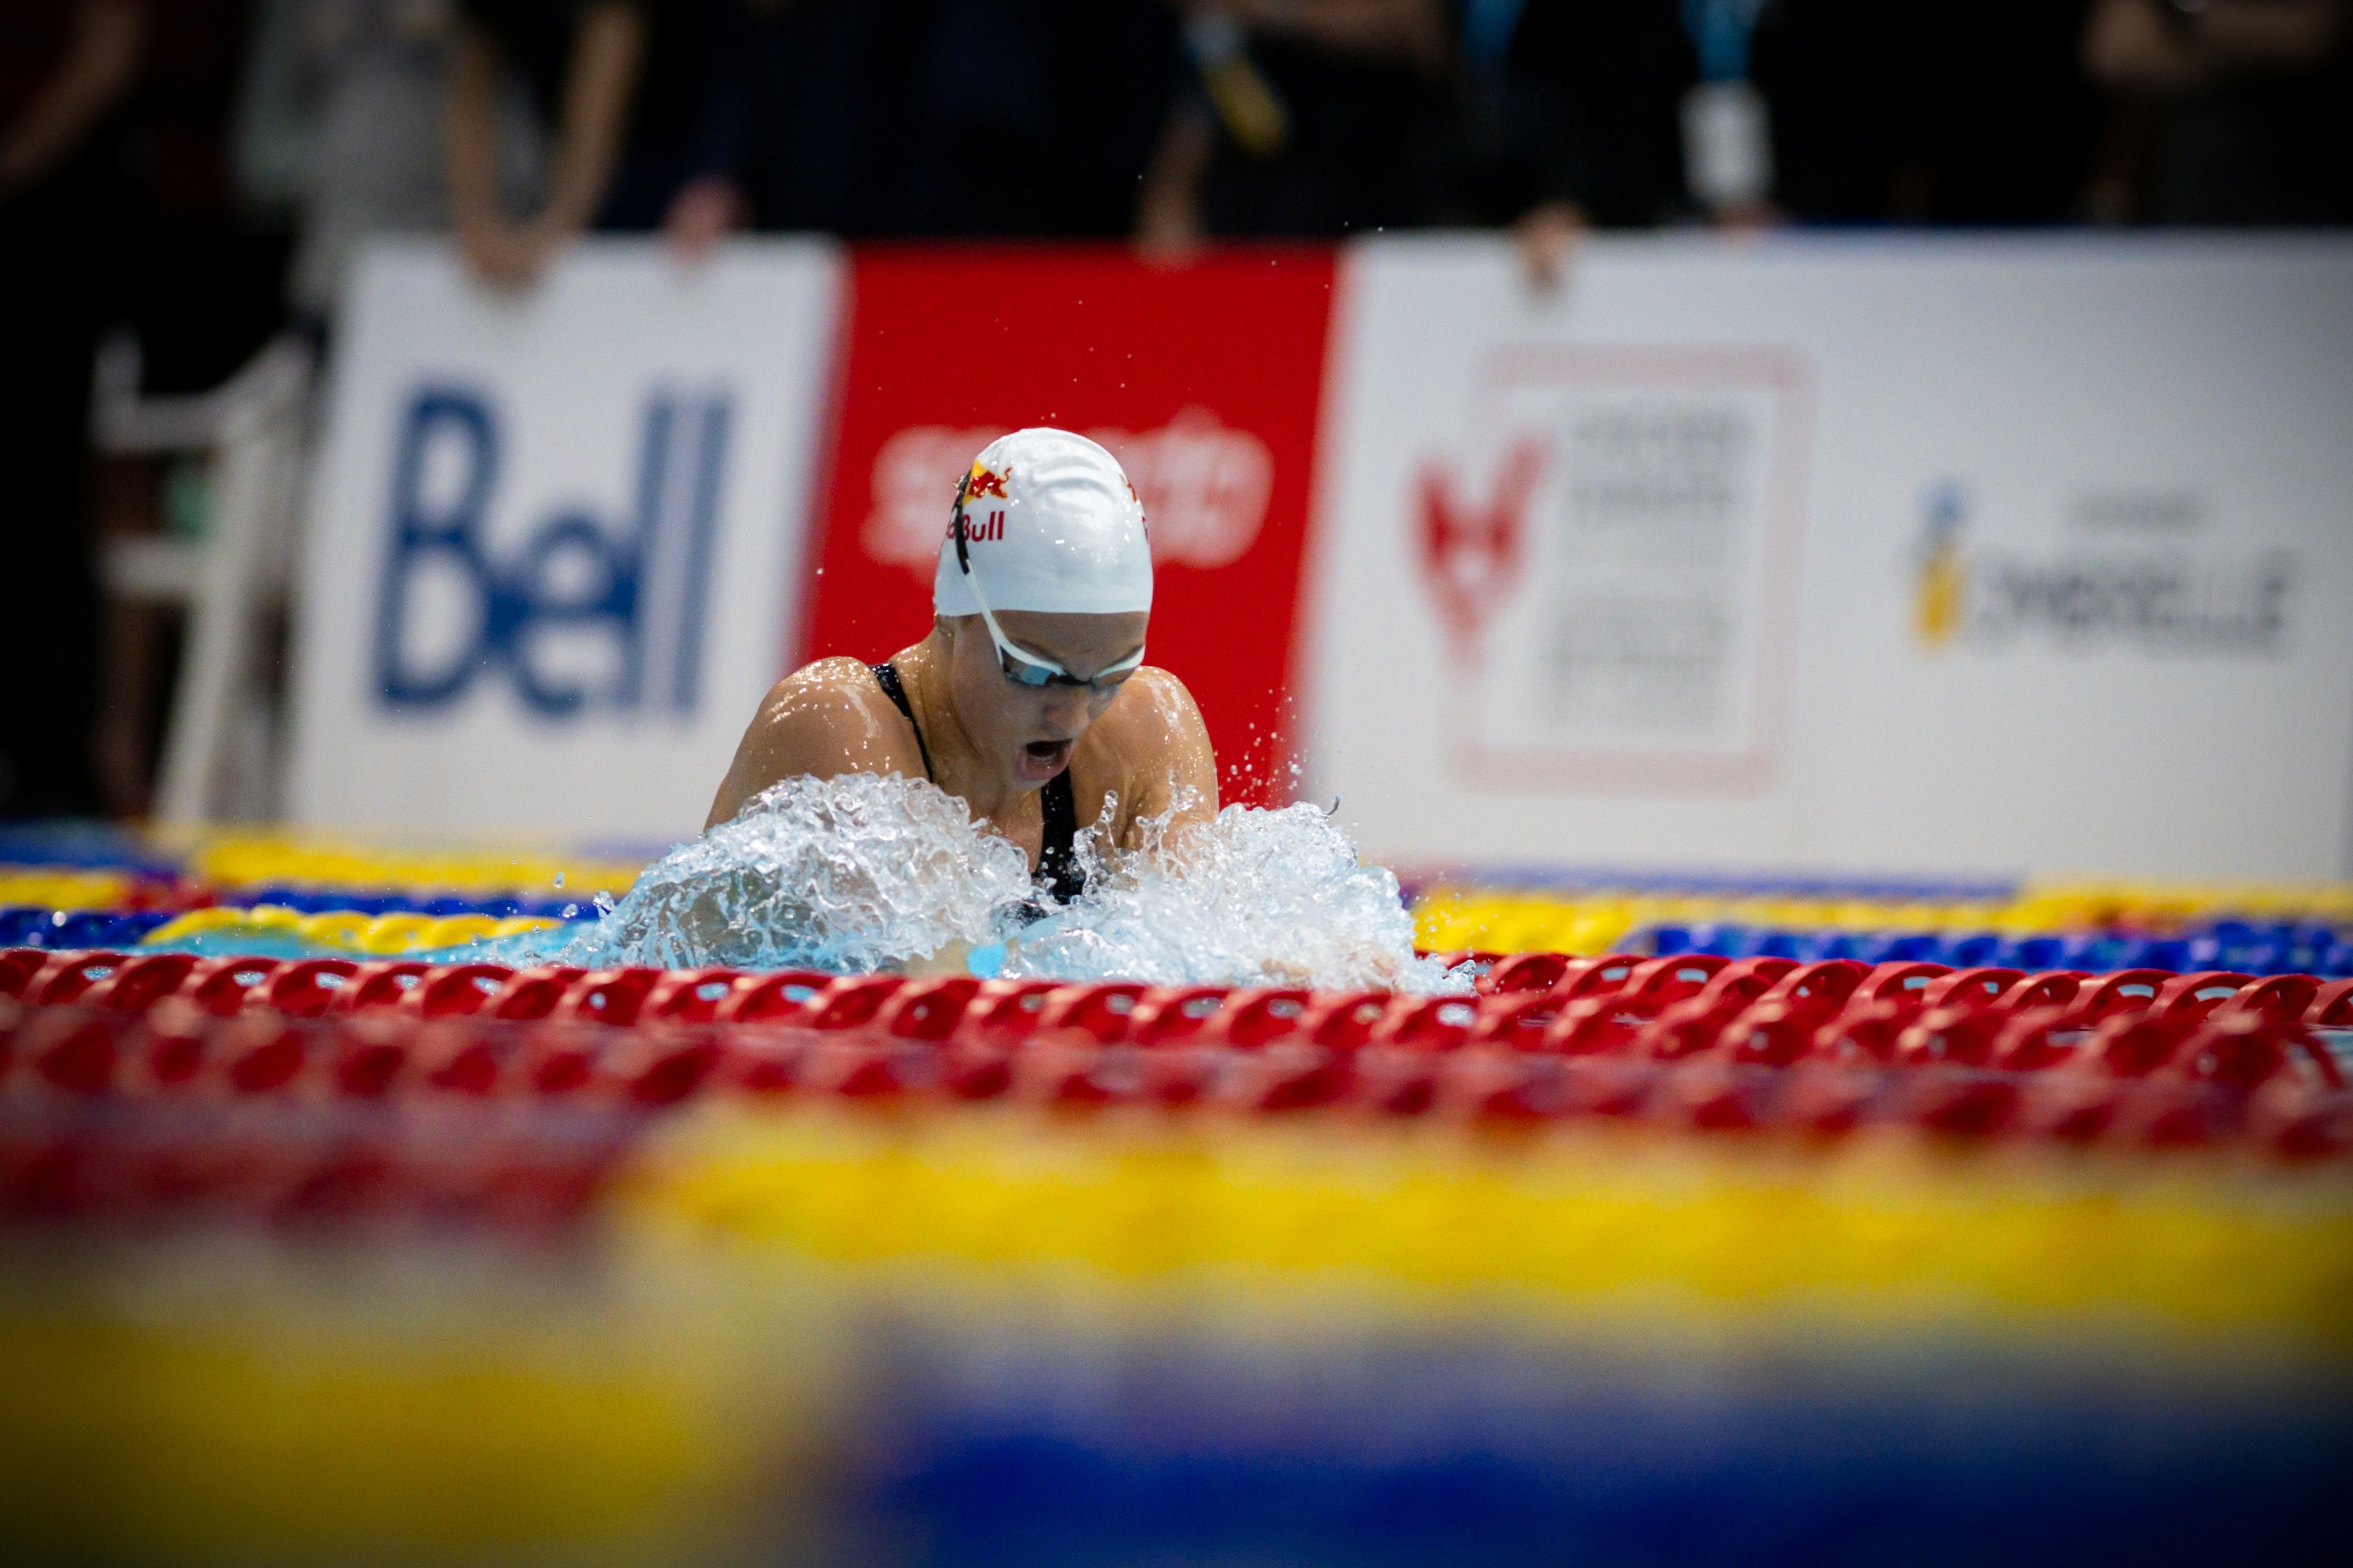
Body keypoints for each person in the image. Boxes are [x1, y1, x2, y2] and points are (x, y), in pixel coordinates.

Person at [707, 429, 1218, 903]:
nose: (1072, 716)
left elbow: (1196, 954)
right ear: (953, 615)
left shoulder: (1146, 731)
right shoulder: (835, 726)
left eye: (1110, 676)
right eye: (1034, 672)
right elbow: (934, 965)